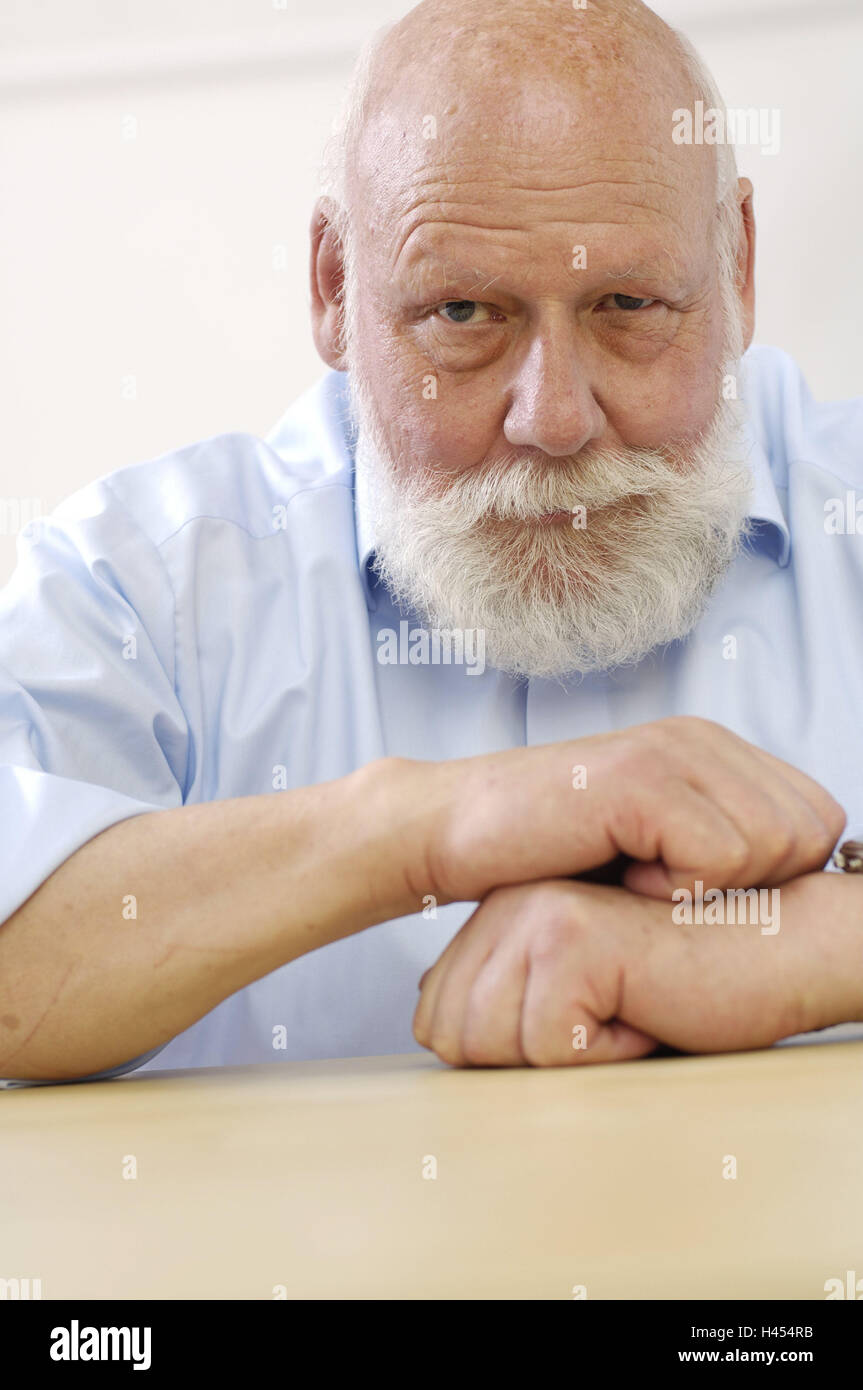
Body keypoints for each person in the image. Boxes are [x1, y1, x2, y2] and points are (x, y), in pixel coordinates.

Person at [1, 0, 861, 1086]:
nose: (552, 419)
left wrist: (800, 951)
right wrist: (432, 824)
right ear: (334, 286)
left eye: (628, 303)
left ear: (734, 268)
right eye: (462, 313)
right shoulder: (146, 585)